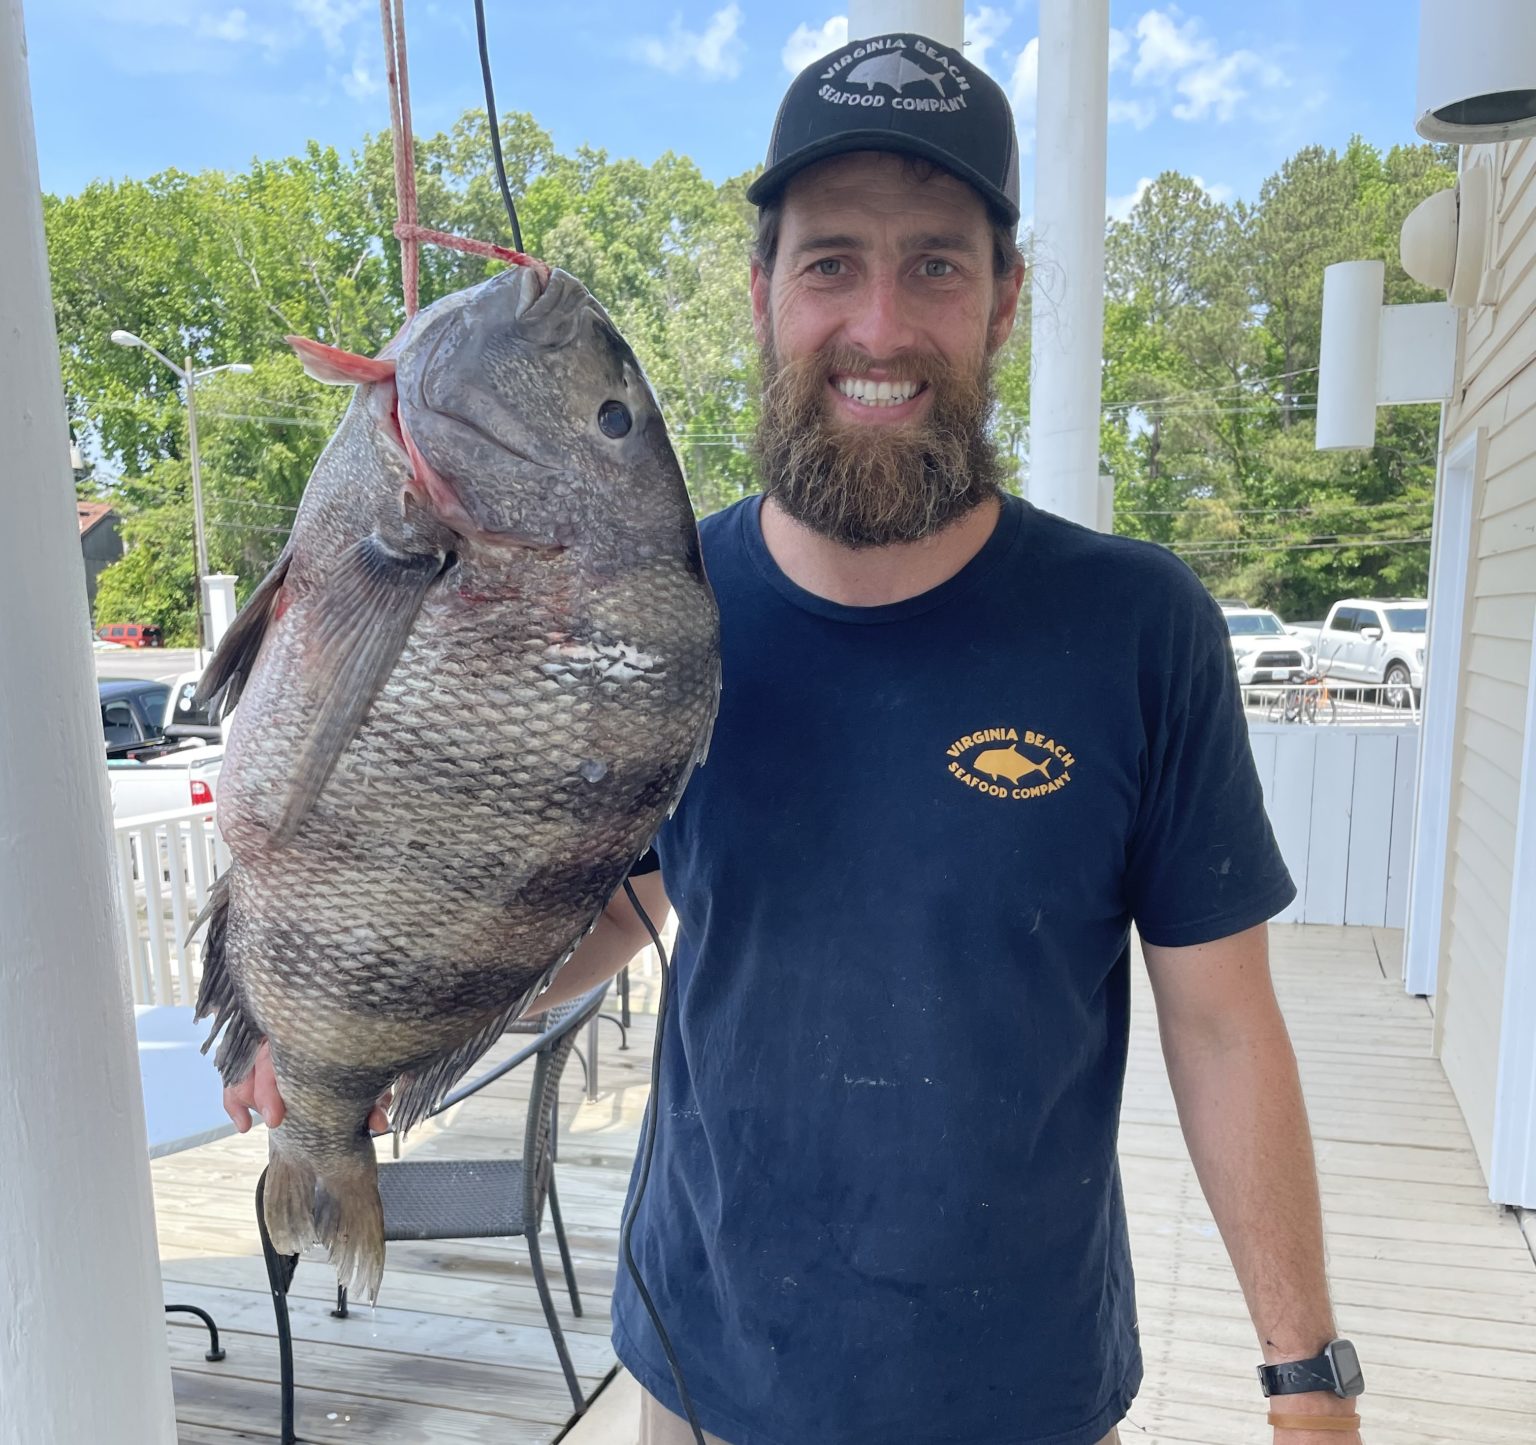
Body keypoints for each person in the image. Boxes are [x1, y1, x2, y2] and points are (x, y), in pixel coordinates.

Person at [224, 32, 1366, 1445]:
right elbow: (618, 893)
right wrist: (375, 1017)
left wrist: (1305, 1372)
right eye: (831, 262)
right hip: (708, 1375)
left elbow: (1221, 1020)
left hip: (1024, 1395)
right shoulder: (648, 615)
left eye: (936, 263)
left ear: (1007, 299)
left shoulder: (1140, 626)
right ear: (764, 292)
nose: (879, 325)